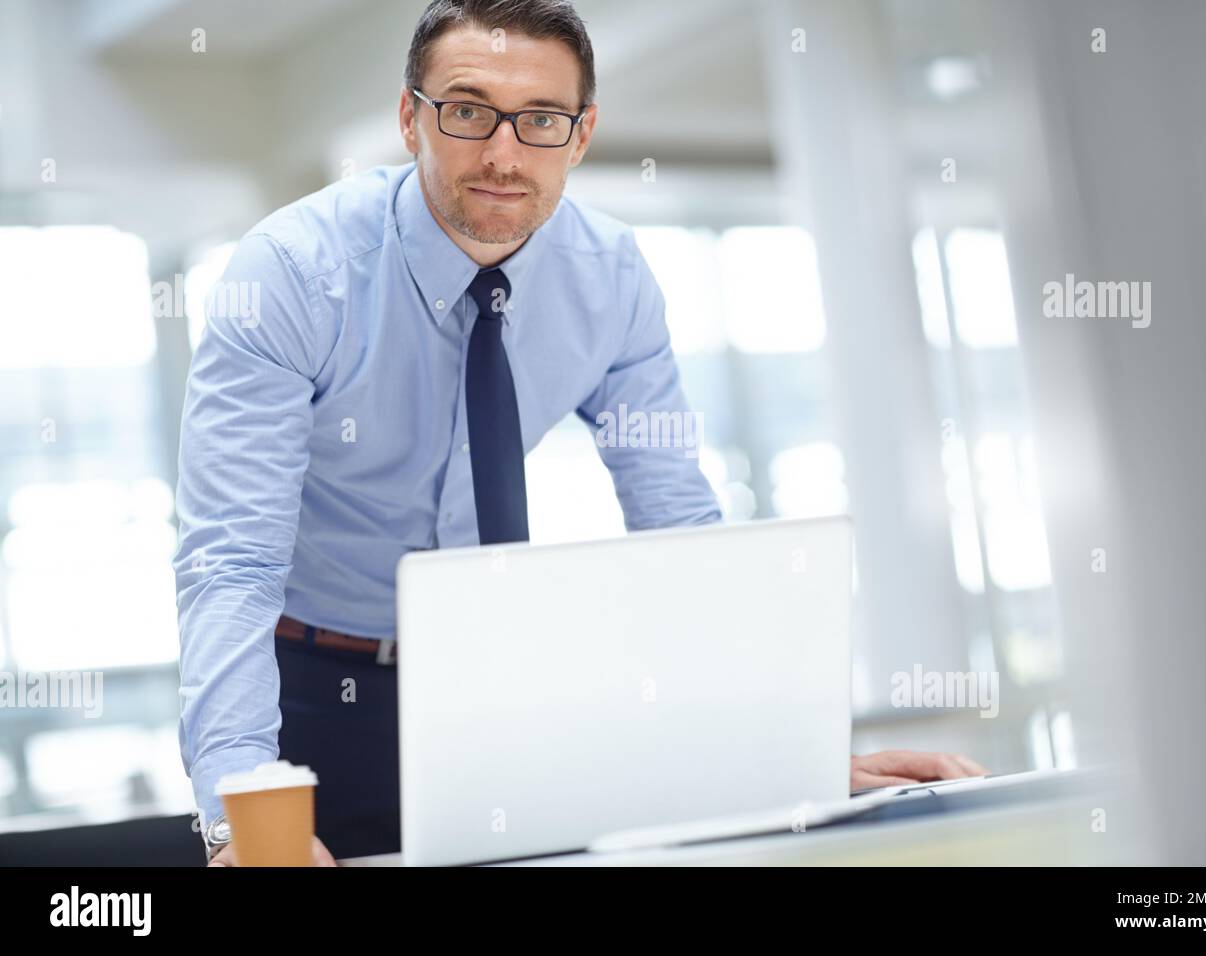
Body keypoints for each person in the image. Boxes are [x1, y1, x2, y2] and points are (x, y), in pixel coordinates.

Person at [174, 0, 987, 867]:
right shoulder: (294, 275)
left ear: (583, 132)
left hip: (508, 687)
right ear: (410, 117)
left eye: (541, 121)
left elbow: (678, 524)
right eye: (467, 109)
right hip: (311, 690)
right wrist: (240, 820)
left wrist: (788, 753)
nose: (502, 153)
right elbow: (233, 560)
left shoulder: (612, 281)